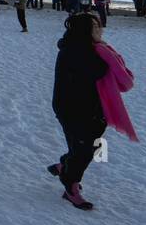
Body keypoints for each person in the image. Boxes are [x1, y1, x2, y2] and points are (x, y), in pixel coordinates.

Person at [47, 12, 137, 210]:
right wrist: (108, 53)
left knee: (90, 145)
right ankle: (71, 187)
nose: (101, 30)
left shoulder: (92, 49)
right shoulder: (73, 52)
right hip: (72, 108)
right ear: (84, 31)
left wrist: (106, 51)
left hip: (93, 107)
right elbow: (97, 71)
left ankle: (65, 166)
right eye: (96, 27)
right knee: (85, 148)